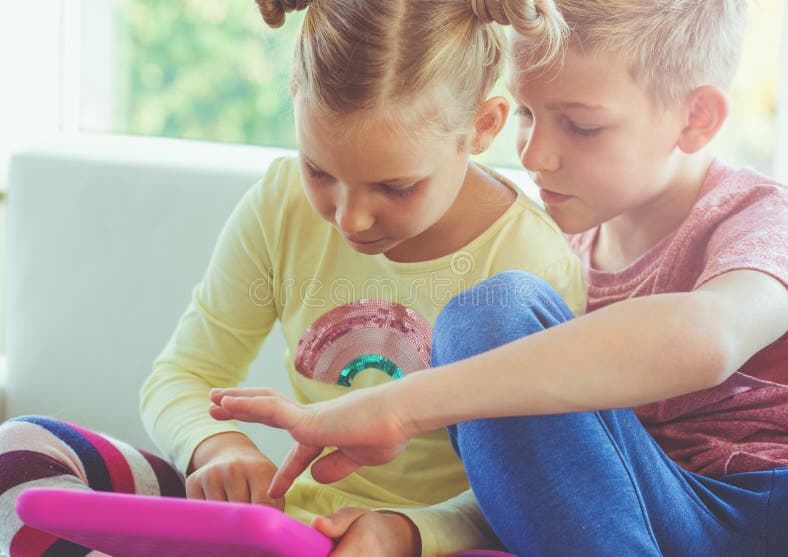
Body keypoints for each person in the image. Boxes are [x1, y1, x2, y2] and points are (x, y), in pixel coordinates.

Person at [212, 1, 788, 555]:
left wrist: (403, 405)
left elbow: (708, 337)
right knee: (499, 327)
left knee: (491, 314)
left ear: (697, 118)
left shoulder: (762, 218)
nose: (534, 152)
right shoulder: (558, 251)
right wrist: (409, 528)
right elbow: (529, 480)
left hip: (767, 504)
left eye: (581, 125)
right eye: (526, 112)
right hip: (636, 513)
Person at [0, 2, 584, 556]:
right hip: (279, 526)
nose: (350, 218)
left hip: (430, 541)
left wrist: (407, 532)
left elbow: (538, 489)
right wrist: (217, 446)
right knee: (21, 449)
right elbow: (183, 374)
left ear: (484, 127)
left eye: (395, 187)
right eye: (319, 170)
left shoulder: (528, 266)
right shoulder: (279, 204)